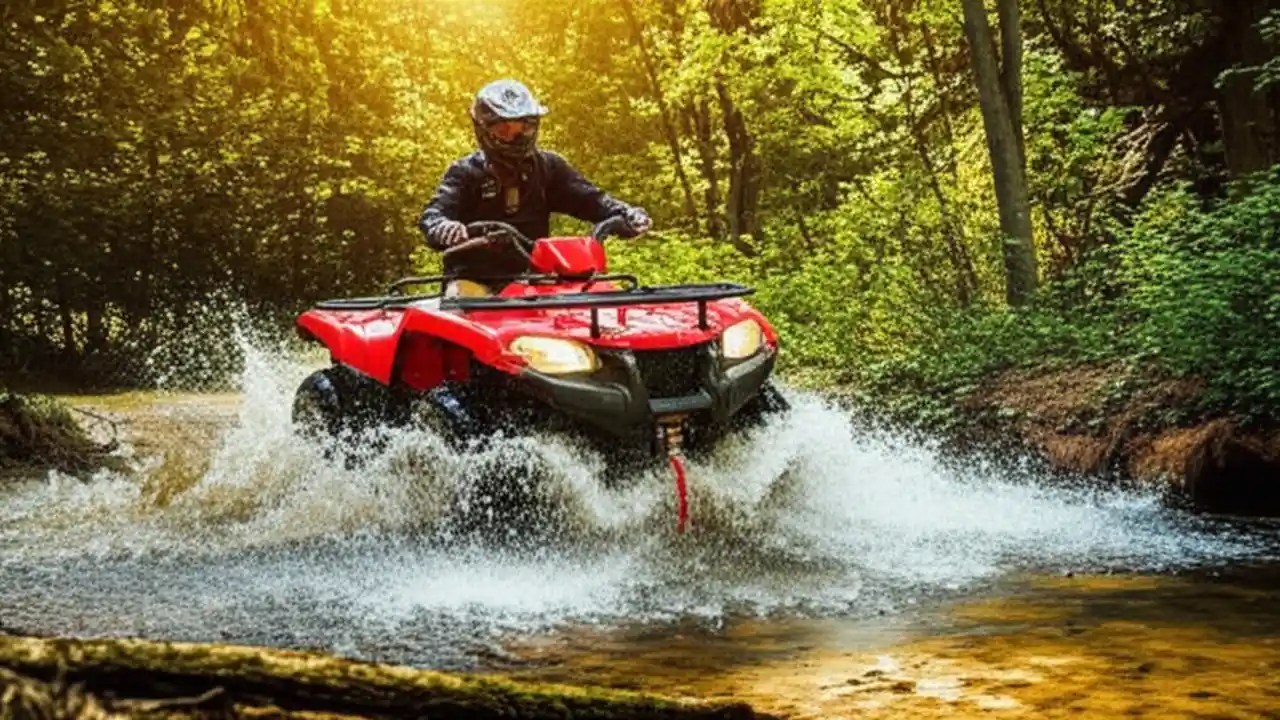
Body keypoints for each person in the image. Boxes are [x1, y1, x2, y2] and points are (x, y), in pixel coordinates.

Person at [418, 79, 651, 289]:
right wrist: (444, 227)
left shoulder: (548, 167)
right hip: (474, 280)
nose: (517, 136)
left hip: (536, 277)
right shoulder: (465, 172)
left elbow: (592, 200)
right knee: (463, 302)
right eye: (505, 130)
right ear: (484, 130)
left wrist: (626, 214)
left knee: (592, 302)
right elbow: (433, 215)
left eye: (524, 127)